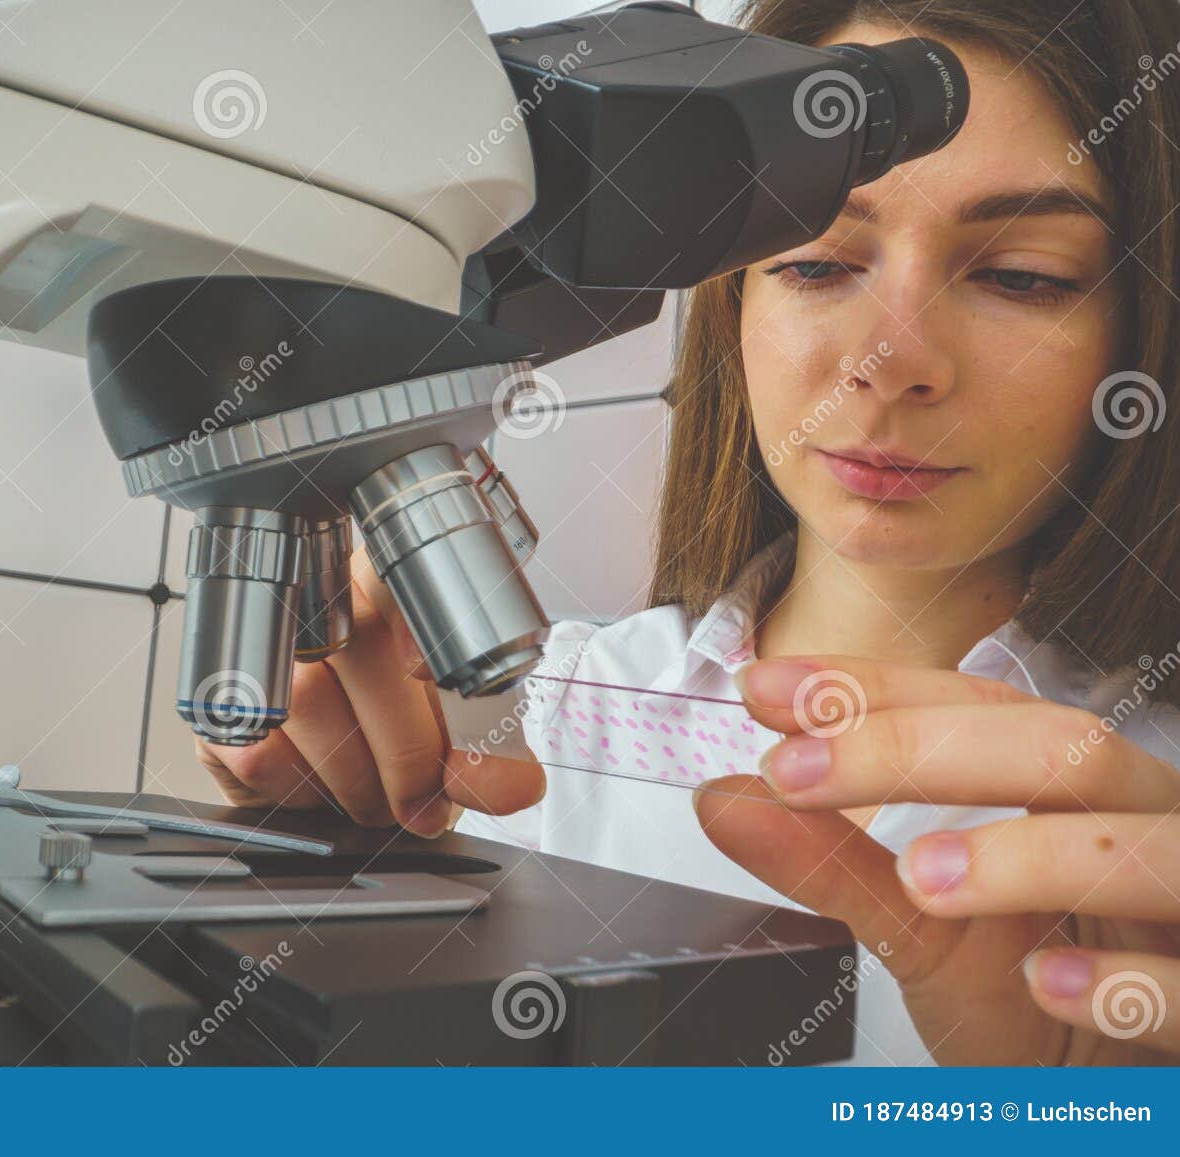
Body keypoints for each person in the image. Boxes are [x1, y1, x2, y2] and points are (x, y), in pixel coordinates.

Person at [197, 0, 1180, 1065]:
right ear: (734, 298)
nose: (891, 358)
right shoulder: (535, 729)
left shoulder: (1156, 840)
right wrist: (305, 898)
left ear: (1137, 328)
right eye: (812, 260)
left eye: (1019, 275)